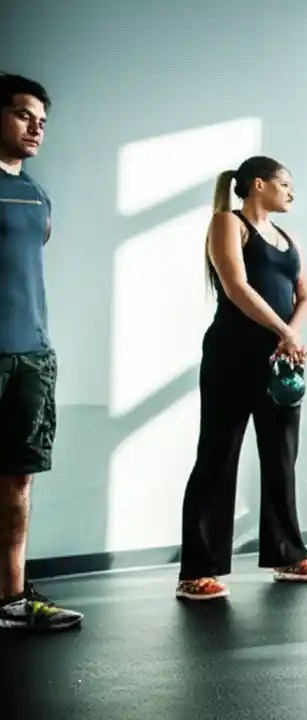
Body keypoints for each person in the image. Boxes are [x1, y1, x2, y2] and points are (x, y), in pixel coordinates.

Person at [175, 156, 307, 601]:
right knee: (218, 455)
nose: (291, 192)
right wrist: (284, 331)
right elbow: (235, 286)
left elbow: (306, 292)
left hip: (280, 358)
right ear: (258, 184)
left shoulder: (286, 237)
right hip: (232, 354)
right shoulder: (228, 222)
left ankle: (287, 554)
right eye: (285, 184)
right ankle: (196, 571)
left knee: (282, 456)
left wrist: (290, 335)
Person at [0, 74, 82, 630]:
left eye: (43, 121)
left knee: (17, 480)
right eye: (25, 115)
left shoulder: (35, 192)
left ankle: (9, 599)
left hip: (31, 356)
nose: (36, 128)